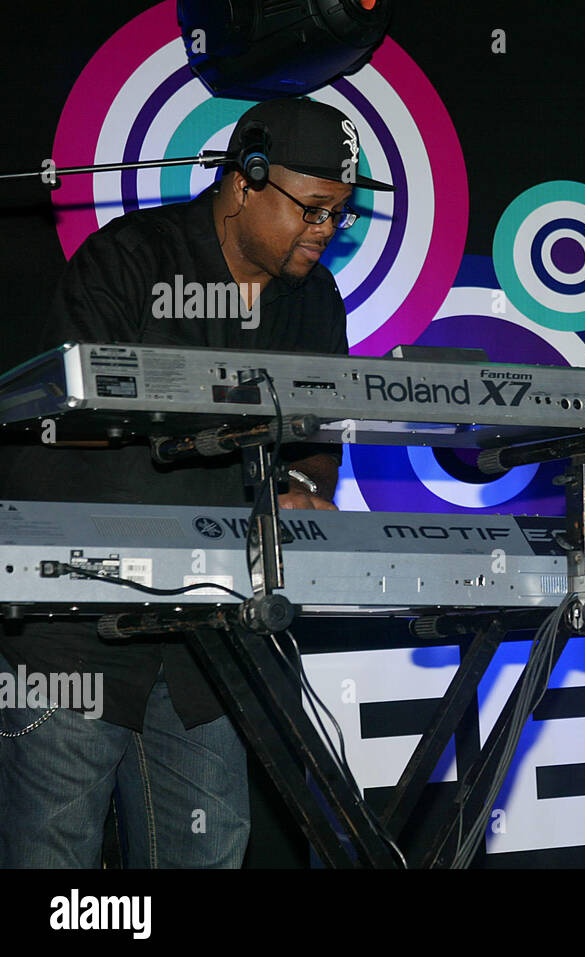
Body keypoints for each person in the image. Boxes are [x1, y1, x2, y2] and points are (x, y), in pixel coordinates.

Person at [0, 97, 393, 868]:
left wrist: (304, 489)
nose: (324, 232)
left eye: (339, 216)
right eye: (311, 209)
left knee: (207, 855)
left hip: (214, 645)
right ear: (244, 182)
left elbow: (314, 447)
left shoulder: (315, 301)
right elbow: (68, 419)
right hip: (75, 632)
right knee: (53, 864)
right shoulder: (131, 259)